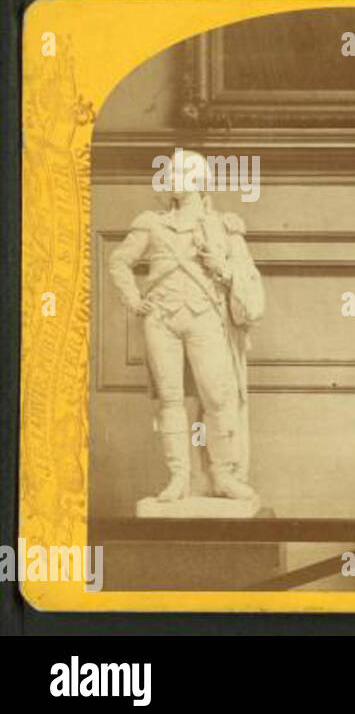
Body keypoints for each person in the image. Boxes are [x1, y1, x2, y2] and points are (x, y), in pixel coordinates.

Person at [108, 149, 262, 502]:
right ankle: (179, 478)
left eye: (178, 172)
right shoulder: (150, 222)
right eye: (170, 172)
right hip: (160, 320)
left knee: (218, 396)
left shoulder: (221, 226)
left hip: (205, 317)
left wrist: (218, 266)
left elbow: (241, 277)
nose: (171, 178)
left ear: (196, 179)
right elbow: (119, 261)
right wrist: (133, 298)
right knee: (170, 399)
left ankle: (222, 476)